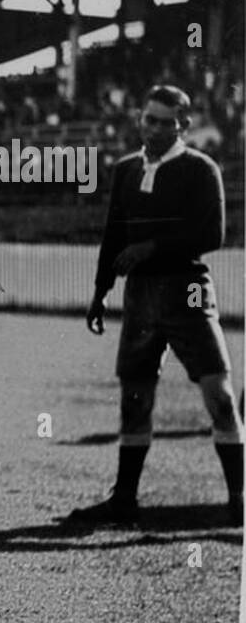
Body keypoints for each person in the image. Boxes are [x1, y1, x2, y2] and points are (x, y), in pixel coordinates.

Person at [68, 84, 242, 526]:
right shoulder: (126, 170)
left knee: (220, 397)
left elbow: (211, 236)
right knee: (134, 396)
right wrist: (100, 290)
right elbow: (113, 235)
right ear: (140, 119)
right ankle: (124, 500)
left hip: (188, 289)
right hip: (141, 296)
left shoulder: (201, 169)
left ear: (183, 125)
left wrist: (151, 247)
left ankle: (239, 500)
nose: (155, 128)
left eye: (166, 122)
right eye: (149, 119)